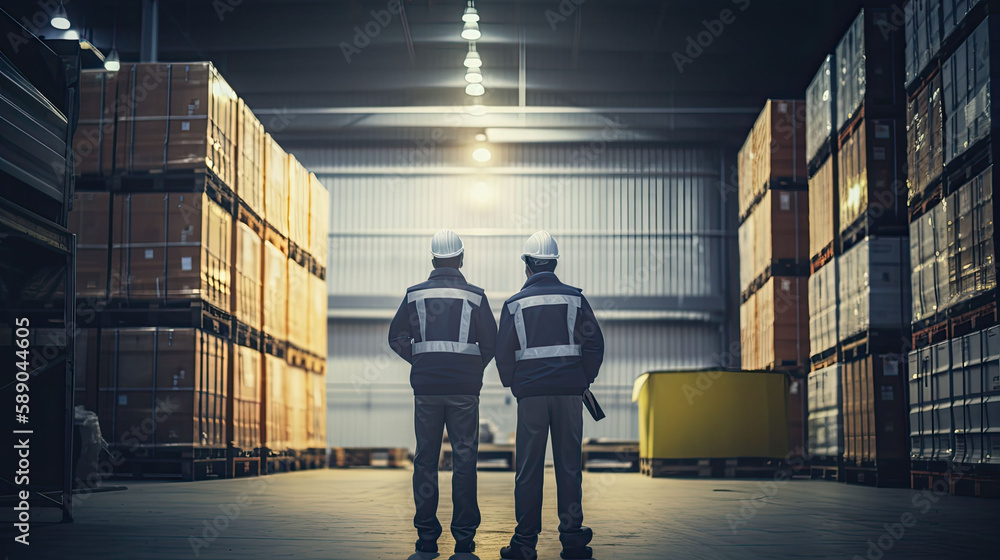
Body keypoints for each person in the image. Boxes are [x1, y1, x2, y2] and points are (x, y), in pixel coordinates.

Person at [495, 231, 605, 560]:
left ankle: (525, 543)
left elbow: (503, 353)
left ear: (527, 265)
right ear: (555, 264)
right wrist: (582, 379)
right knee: (569, 468)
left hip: (531, 397)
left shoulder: (514, 304)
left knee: (528, 469)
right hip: (569, 395)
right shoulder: (576, 300)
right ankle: (572, 540)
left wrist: (516, 385)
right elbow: (594, 344)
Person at [388, 229, 498, 556]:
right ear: (461, 258)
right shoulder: (475, 296)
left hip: (427, 389)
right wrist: (471, 368)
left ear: (433, 259)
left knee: (425, 460)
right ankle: (464, 541)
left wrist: (421, 361)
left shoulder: (414, 295)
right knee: (464, 460)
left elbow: (396, 338)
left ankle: (426, 540)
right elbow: (491, 343)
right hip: (464, 390)